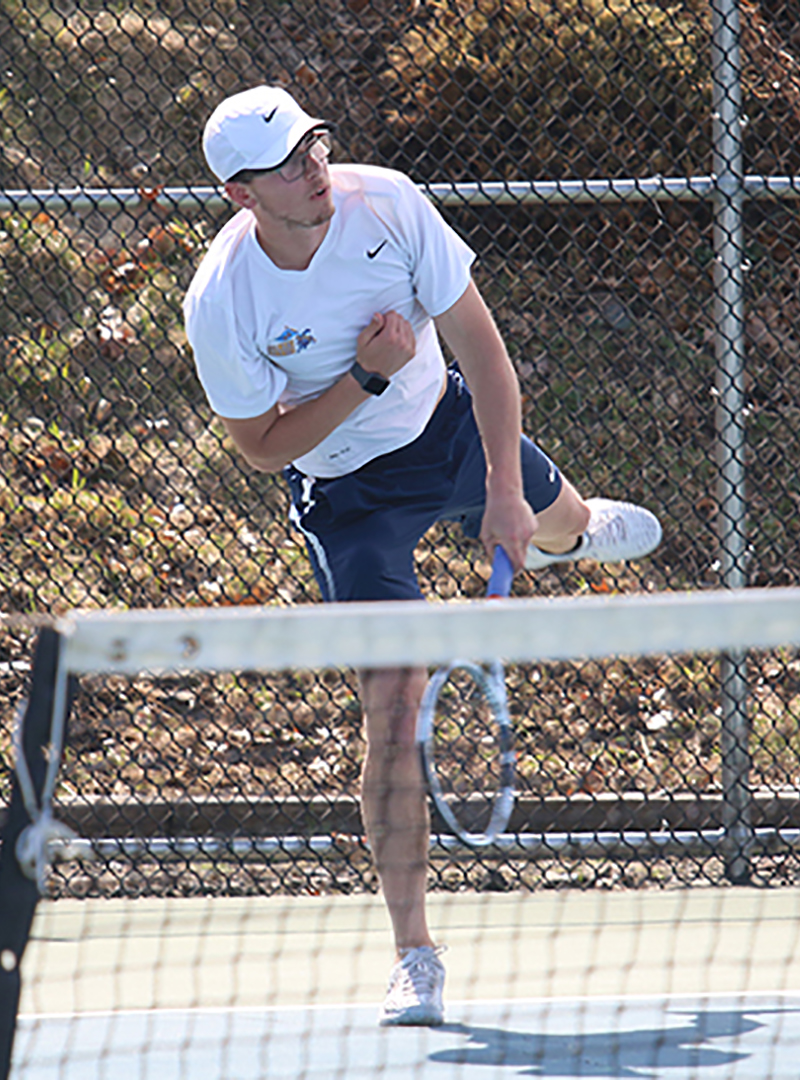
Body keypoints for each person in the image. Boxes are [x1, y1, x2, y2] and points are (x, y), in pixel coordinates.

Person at [181, 85, 662, 1026]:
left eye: (314, 145)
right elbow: (263, 447)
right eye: (286, 164)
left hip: (442, 430)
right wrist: (366, 375)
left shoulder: (390, 204)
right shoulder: (221, 298)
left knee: (553, 521)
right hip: (347, 496)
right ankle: (415, 954)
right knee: (391, 708)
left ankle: (569, 533)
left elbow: (484, 355)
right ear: (244, 194)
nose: (313, 168)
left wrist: (504, 494)